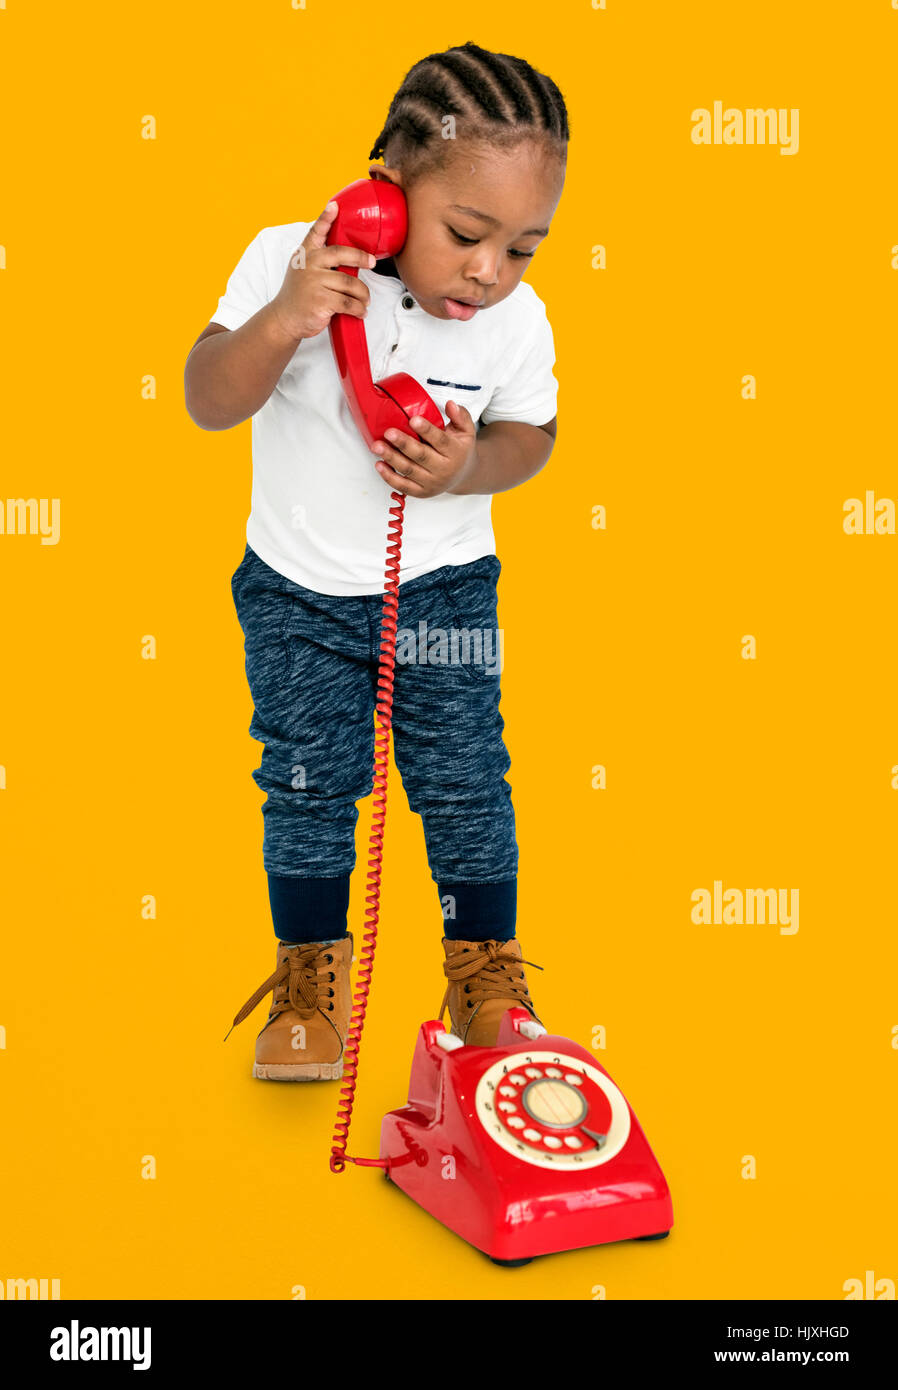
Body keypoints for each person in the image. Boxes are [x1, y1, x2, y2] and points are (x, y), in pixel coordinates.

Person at [184, 41, 568, 1080]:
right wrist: (290, 314)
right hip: (297, 593)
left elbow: (529, 437)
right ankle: (308, 974)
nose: (490, 272)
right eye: (465, 235)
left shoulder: (512, 323)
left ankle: (483, 969)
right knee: (308, 783)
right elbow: (208, 397)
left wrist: (463, 468)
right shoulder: (285, 259)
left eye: (522, 249)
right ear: (384, 194)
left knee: (462, 780)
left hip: (440, 589)